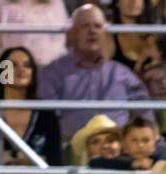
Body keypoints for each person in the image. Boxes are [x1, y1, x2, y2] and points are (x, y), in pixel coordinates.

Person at [38, 4, 151, 138]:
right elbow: (46, 121)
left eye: (97, 26)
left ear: (105, 34)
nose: (92, 31)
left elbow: (145, 113)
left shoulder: (122, 73)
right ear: (73, 33)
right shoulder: (53, 73)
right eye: (85, 26)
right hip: (71, 151)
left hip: (120, 149)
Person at [0, 0, 70, 70]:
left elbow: (63, 37)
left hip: (49, 68)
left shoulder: (55, 3)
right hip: (9, 66)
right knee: (6, 92)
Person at [108, 0, 159, 78]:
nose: (133, 1)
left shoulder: (155, 38)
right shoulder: (108, 37)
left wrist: (156, 61)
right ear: (117, 2)